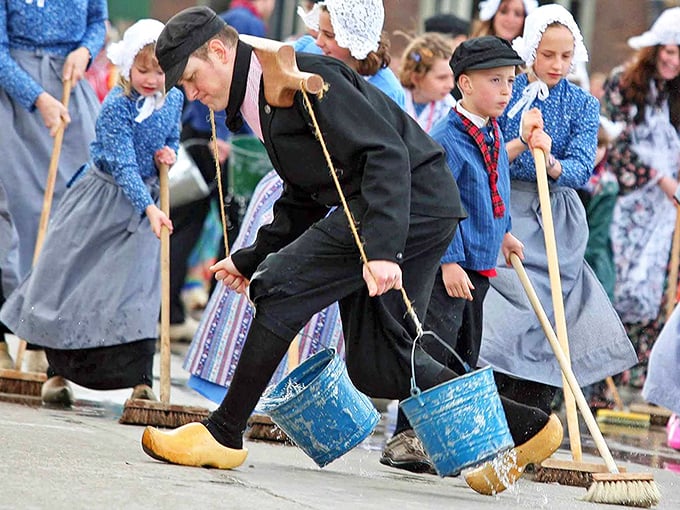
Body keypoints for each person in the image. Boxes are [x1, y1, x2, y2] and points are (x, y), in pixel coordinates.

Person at [141, 9, 561, 495]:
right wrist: (249, 257)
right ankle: (528, 425)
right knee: (379, 363)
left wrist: (381, 250)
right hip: (398, 207)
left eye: (191, 78)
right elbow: (302, 195)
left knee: (280, 288)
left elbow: (385, 155)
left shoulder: (304, 77)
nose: (192, 93)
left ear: (218, 51)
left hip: (408, 205)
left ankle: (223, 432)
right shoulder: (264, 95)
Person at [183, 0, 406, 403]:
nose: (319, 43)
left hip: (353, 208)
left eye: (330, 36)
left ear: (360, 39)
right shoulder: (300, 61)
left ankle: (294, 401)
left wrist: (382, 245)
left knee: (307, 305)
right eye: (317, 33)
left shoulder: (383, 87)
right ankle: (230, 395)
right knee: (266, 286)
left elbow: (384, 161)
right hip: (295, 195)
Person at [0, 19, 183, 406]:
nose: (151, 78)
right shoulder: (116, 107)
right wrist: (148, 207)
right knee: (77, 281)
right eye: (142, 70)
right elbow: (123, 165)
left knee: (139, 288)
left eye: (160, 70)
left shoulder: (175, 99)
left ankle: (138, 378)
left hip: (145, 207)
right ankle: (59, 371)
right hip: (103, 199)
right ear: (126, 69)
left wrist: (169, 153)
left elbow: (172, 136)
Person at [381, 36, 530, 475]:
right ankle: (406, 438)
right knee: (434, 350)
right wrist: (447, 260)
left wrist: (503, 234)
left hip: (480, 264)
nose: (506, 90)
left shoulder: (493, 131)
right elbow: (436, 204)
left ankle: (438, 438)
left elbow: (493, 190)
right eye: (495, 80)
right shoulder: (447, 137)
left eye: (510, 81)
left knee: (465, 349)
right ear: (463, 83)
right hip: (450, 265)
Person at [479, 4, 637, 416]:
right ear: (530, 49)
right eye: (548, 54)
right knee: (505, 311)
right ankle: (491, 401)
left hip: (554, 214)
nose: (557, 64)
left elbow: (584, 165)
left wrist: (551, 163)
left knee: (550, 314)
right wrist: (523, 144)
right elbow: (491, 154)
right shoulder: (507, 93)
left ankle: (533, 412)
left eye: (566, 56)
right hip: (507, 204)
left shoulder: (583, 104)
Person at [0, 0, 108, 373]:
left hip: (68, 86)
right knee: (22, 209)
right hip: (14, 93)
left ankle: (48, 333)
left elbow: (98, 22)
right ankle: (10, 323)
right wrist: (37, 98)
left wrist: (85, 50)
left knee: (74, 208)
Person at [601, 7, 680, 389]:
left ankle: (641, 373)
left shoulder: (676, 95)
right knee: (622, 281)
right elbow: (614, 142)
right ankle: (609, 370)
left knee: (658, 285)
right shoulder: (623, 83)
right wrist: (657, 178)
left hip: (668, 210)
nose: (673, 60)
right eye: (668, 51)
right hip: (629, 200)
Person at [397, 32, 455, 133]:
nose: (451, 85)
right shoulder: (395, 97)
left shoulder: (449, 107)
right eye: (442, 78)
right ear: (416, 78)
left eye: (452, 77)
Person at [470, 0, 537, 42]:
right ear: (493, 15)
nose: (510, 19)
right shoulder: (469, 51)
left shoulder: (533, 61)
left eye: (518, 14)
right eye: (504, 11)